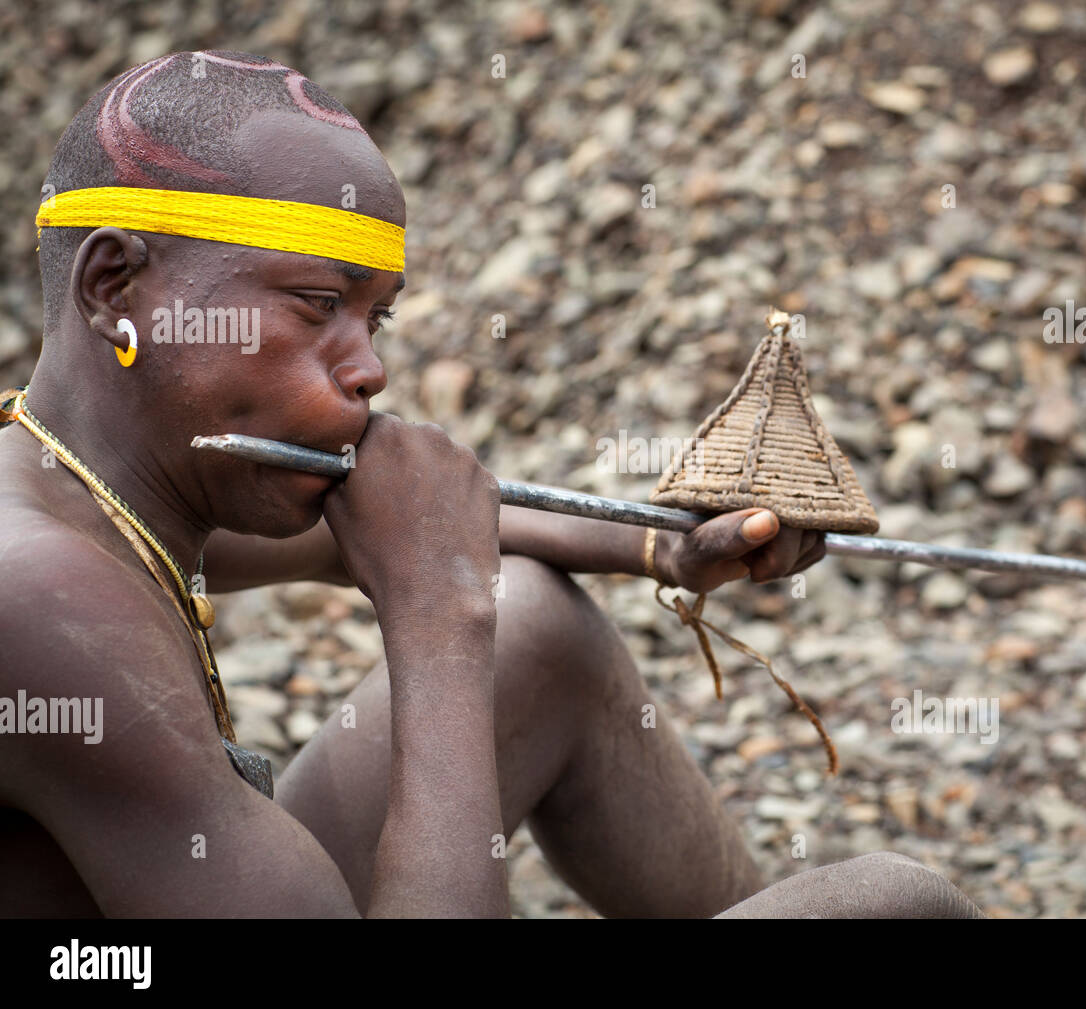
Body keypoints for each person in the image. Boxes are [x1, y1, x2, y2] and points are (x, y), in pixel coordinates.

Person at [0, 51, 981, 918]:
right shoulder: (43, 599)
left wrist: (661, 546)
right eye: (316, 305)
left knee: (535, 626)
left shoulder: (86, 474)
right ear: (114, 288)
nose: (369, 370)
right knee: (895, 904)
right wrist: (438, 616)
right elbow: (428, 565)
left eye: (373, 321)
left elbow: (397, 523)